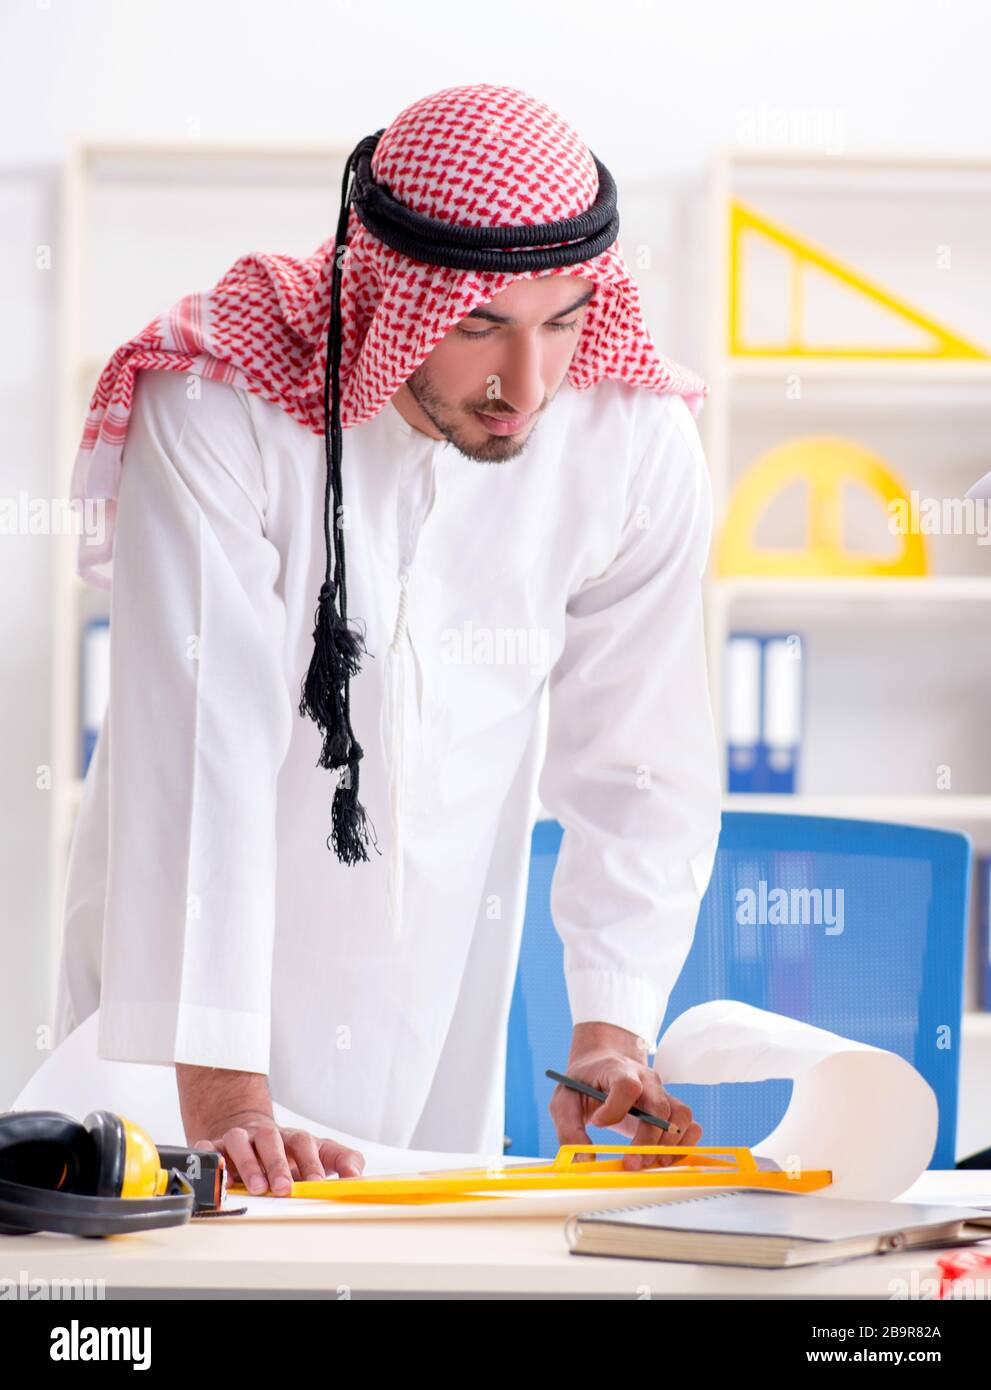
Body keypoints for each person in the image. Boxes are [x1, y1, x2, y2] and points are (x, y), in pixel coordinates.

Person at [54, 83, 723, 1196]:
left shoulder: (631, 441)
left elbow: (640, 758)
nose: (529, 383)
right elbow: (197, 754)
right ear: (394, 294)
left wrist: (613, 1026)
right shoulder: (219, 405)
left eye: (563, 320)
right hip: (182, 1012)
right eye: (477, 327)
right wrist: (224, 1095)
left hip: (434, 974)